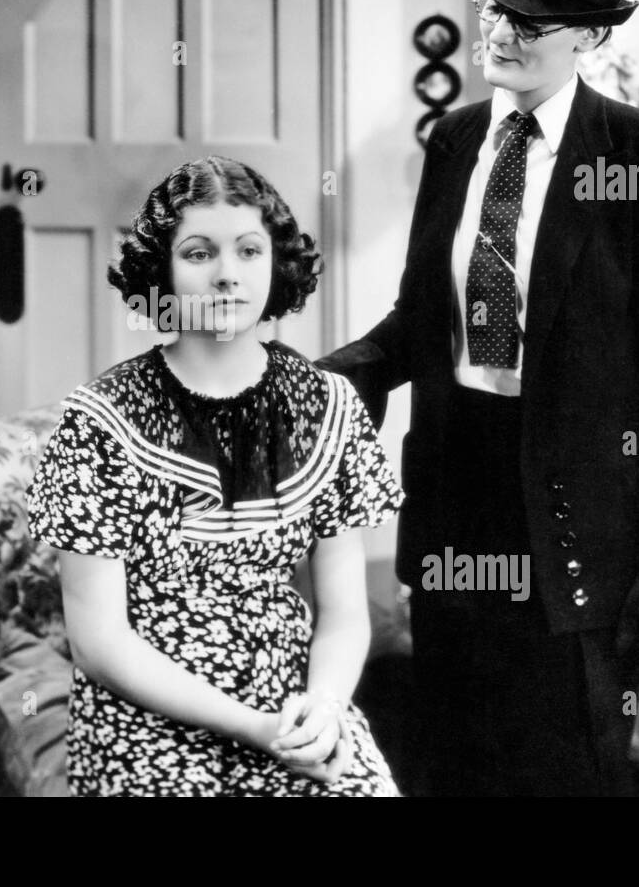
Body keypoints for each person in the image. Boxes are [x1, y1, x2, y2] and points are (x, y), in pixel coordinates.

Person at [317, 0, 639, 796]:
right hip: (458, 505)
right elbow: (418, 321)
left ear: (591, 35)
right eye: (490, 9)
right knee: (456, 766)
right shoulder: (455, 141)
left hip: (578, 522)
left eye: (527, 22)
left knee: (566, 769)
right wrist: (332, 378)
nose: (496, 32)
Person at [27, 156, 403, 796]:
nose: (228, 275)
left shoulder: (329, 405)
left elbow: (344, 614)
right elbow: (99, 642)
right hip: (143, 714)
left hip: (291, 699)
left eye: (250, 251)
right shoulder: (99, 420)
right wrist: (254, 729)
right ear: (162, 272)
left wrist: (325, 707)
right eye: (199, 254)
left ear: (276, 263)